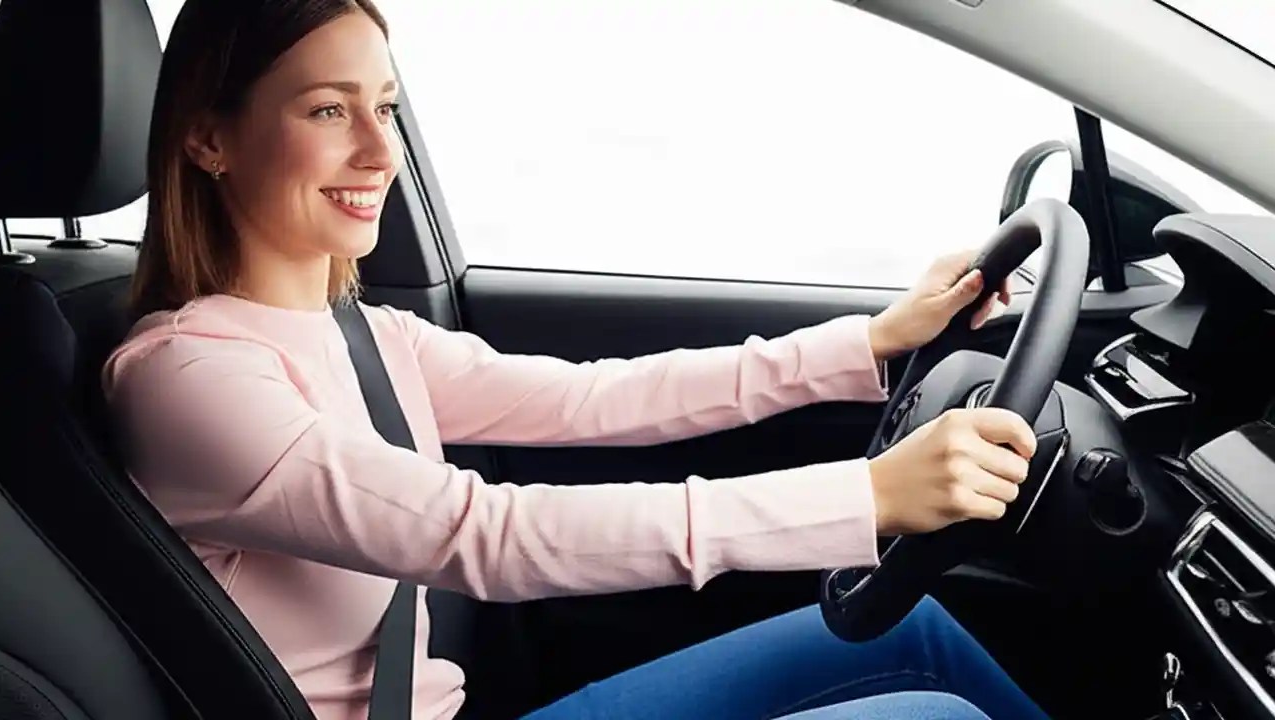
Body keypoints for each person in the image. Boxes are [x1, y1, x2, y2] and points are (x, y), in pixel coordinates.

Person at [100, 1, 1049, 719]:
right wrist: (865, 498)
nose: (379, 149)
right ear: (209, 137)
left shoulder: (368, 332)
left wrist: (873, 338)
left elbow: (601, 400)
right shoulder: (190, 378)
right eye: (326, 109)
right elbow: (487, 537)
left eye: (385, 108)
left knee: (922, 635)